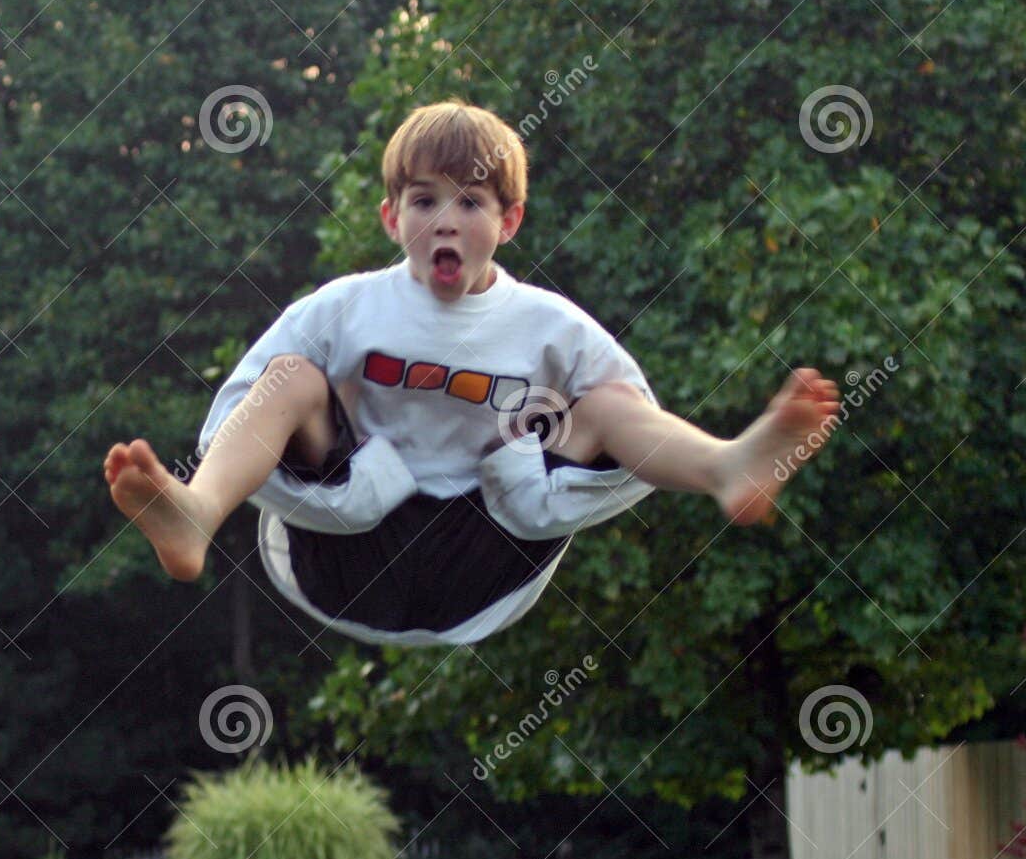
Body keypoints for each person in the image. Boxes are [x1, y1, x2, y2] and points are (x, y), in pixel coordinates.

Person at [104, 100, 840, 646]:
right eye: (424, 201)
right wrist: (227, 474)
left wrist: (611, 437)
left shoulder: (551, 326)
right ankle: (199, 511)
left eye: (470, 203)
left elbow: (632, 426)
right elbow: (246, 396)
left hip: (484, 556)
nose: (446, 222)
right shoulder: (345, 308)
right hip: (347, 548)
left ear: (509, 221)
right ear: (392, 219)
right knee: (293, 375)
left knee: (605, 401)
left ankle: (728, 466)